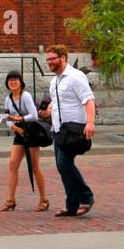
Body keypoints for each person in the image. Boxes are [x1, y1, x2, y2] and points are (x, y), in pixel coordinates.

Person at [39, 44, 95, 217]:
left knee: (64, 164)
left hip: (74, 129)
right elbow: (56, 102)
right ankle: (71, 205)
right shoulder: (55, 81)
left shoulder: (75, 77)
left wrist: (90, 123)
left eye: (53, 59)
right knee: (62, 166)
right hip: (58, 130)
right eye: (48, 59)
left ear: (63, 58)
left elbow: (88, 100)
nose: (50, 62)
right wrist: (48, 111)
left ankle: (86, 197)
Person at [0, 71, 49, 213]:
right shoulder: (8, 99)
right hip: (19, 133)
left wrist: (19, 120)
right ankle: (10, 200)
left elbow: (34, 115)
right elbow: (7, 117)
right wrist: (14, 126)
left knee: (34, 166)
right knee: (13, 164)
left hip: (31, 132)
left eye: (15, 80)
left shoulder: (25, 96)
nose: (13, 82)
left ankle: (44, 199)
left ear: (21, 82)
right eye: (10, 80)